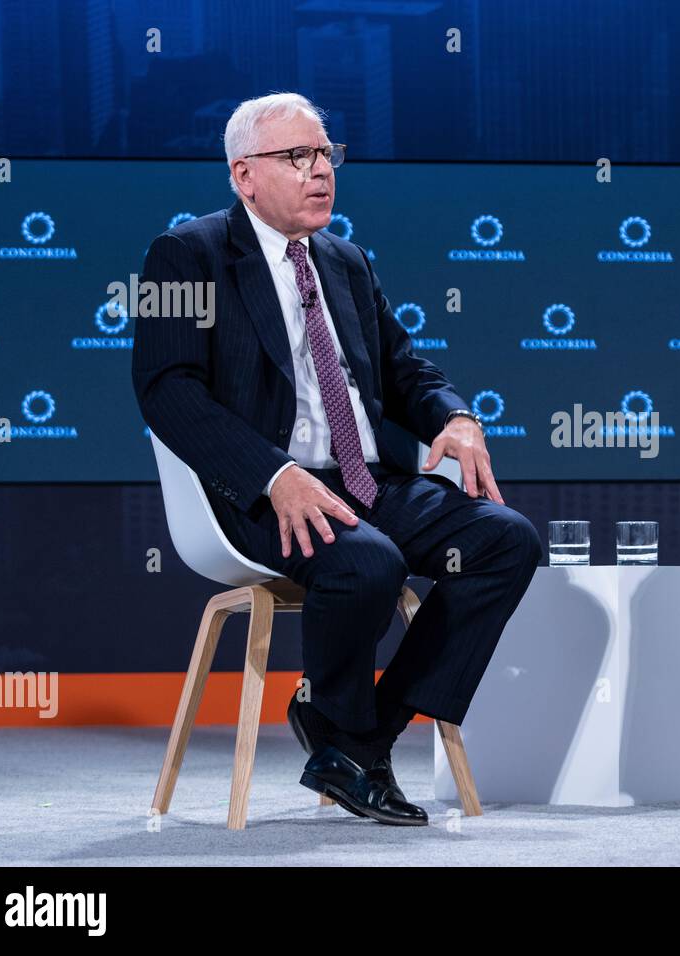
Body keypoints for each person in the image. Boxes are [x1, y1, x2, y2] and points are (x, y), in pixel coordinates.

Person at [133, 93, 542, 826]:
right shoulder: (182, 254)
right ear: (244, 175)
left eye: (327, 154)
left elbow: (405, 369)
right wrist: (271, 473)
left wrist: (455, 416)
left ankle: (357, 739)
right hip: (256, 490)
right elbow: (165, 391)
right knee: (368, 562)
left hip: (365, 480)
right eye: (298, 157)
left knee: (506, 540)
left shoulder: (346, 261)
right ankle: (346, 736)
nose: (321, 171)